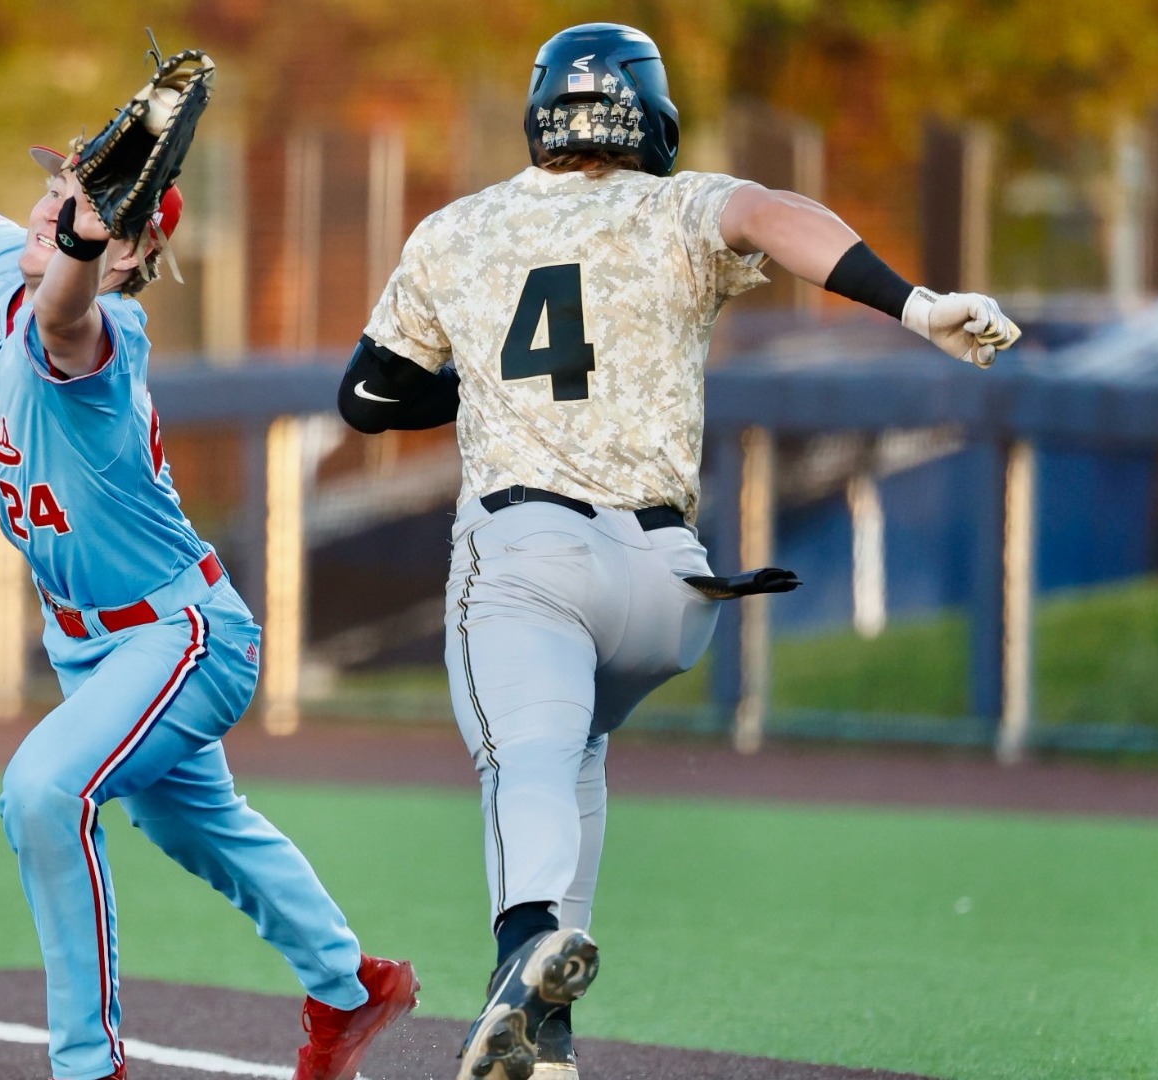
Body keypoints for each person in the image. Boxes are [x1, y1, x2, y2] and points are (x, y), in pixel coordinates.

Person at [335, 23, 1020, 1080]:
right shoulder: (676, 205)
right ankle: (547, 1036)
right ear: (648, 116)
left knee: (524, 759)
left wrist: (475, 379)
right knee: (576, 755)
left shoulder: (454, 232)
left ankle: (525, 949)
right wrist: (917, 306)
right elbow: (772, 215)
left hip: (533, 553)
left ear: (541, 112)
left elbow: (369, 396)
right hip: (670, 587)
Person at [0, 109, 417, 1080]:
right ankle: (351, 986)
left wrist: (82, 240)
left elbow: (62, 315)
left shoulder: (99, 334)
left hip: (184, 636)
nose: (52, 209)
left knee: (43, 793)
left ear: (128, 257)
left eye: (88, 210)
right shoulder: (9, 266)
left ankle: (89, 1066)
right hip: (95, 649)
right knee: (194, 821)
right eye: (56, 190)